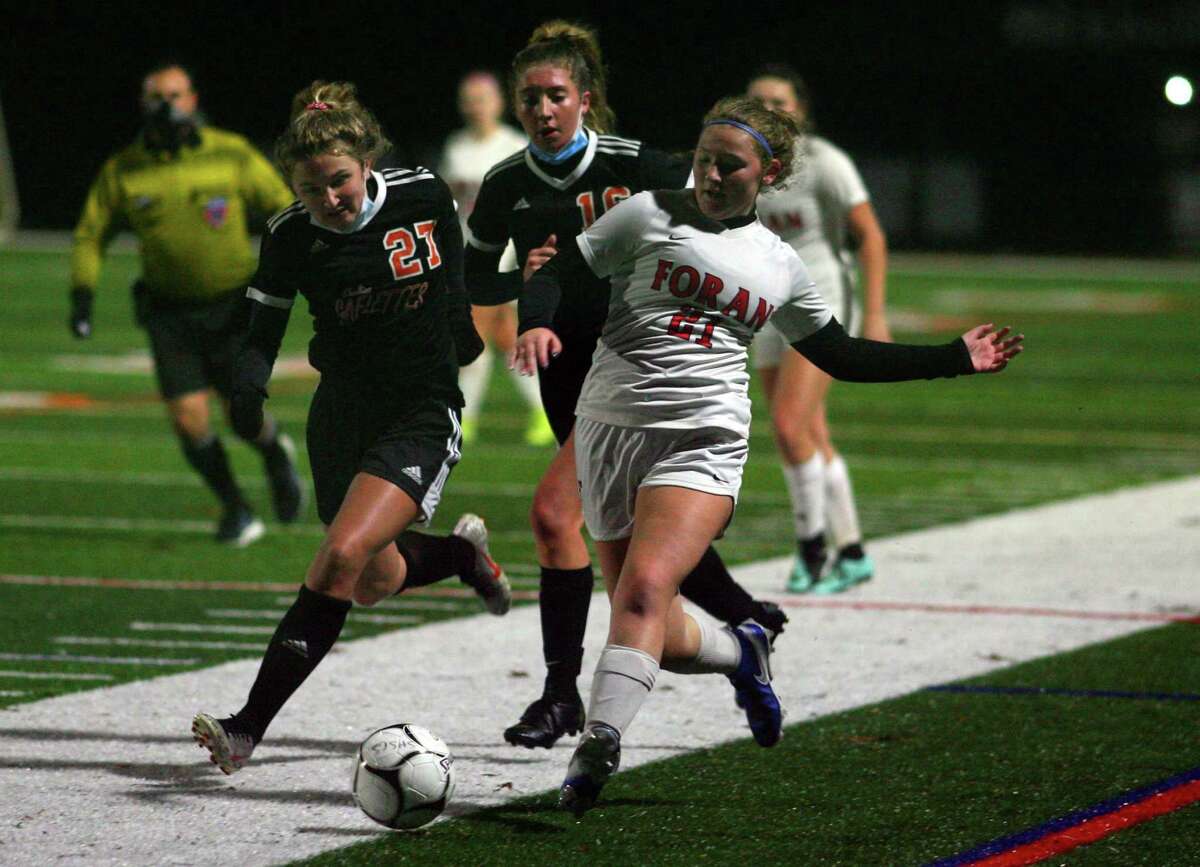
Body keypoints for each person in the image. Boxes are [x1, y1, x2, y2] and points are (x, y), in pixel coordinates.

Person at [513, 95, 1023, 815]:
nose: (711, 175)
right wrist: (535, 322)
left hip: (705, 438)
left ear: (770, 172)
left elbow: (840, 354)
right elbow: (555, 271)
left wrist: (953, 358)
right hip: (608, 430)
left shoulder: (778, 264)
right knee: (656, 620)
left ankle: (599, 742)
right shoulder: (647, 212)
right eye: (703, 159)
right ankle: (740, 650)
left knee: (642, 591)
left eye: (730, 165)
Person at [465, 20, 788, 752]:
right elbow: (476, 276)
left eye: (555, 95)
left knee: (555, 514)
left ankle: (559, 696)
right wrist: (528, 281)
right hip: (559, 367)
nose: (542, 110)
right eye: (530, 98)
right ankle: (746, 621)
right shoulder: (506, 183)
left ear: (585, 99)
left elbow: (719, 217)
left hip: (631, 365)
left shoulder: (639, 165)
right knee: (629, 527)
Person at [192, 81, 511, 775]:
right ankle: (463, 558)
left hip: (420, 409)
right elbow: (261, 329)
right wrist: (247, 382)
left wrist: (460, 321)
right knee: (372, 577)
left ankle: (247, 727)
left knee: (339, 558)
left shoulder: (423, 191)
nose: (330, 197)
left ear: (365, 162)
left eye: (339, 179)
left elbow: (452, 259)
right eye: (312, 188)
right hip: (340, 413)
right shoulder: (290, 235)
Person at [69, 62, 303, 546]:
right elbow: (91, 234)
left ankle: (276, 454)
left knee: (243, 416)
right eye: (157, 96)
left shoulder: (230, 153)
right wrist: (82, 295)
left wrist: (301, 265)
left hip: (234, 306)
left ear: (193, 99)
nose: (167, 105)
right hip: (169, 312)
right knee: (187, 418)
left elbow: (282, 207)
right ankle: (236, 507)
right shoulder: (125, 169)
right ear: (142, 104)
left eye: (175, 95)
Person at [748, 64, 890, 594]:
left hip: (821, 298)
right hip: (768, 304)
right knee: (805, 434)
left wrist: (874, 314)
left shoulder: (826, 163)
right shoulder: (744, 164)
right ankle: (851, 552)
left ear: (799, 110)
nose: (770, 109)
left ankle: (811, 550)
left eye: (780, 101)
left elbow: (870, 237)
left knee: (789, 426)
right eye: (759, 101)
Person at [438, 71, 552, 446]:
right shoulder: (456, 147)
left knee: (476, 336)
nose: (476, 106)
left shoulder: (514, 145)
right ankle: (543, 411)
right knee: (503, 338)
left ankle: (464, 417)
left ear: (499, 102)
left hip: (503, 256)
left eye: (482, 98)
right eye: (469, 98)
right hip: (466, 255)